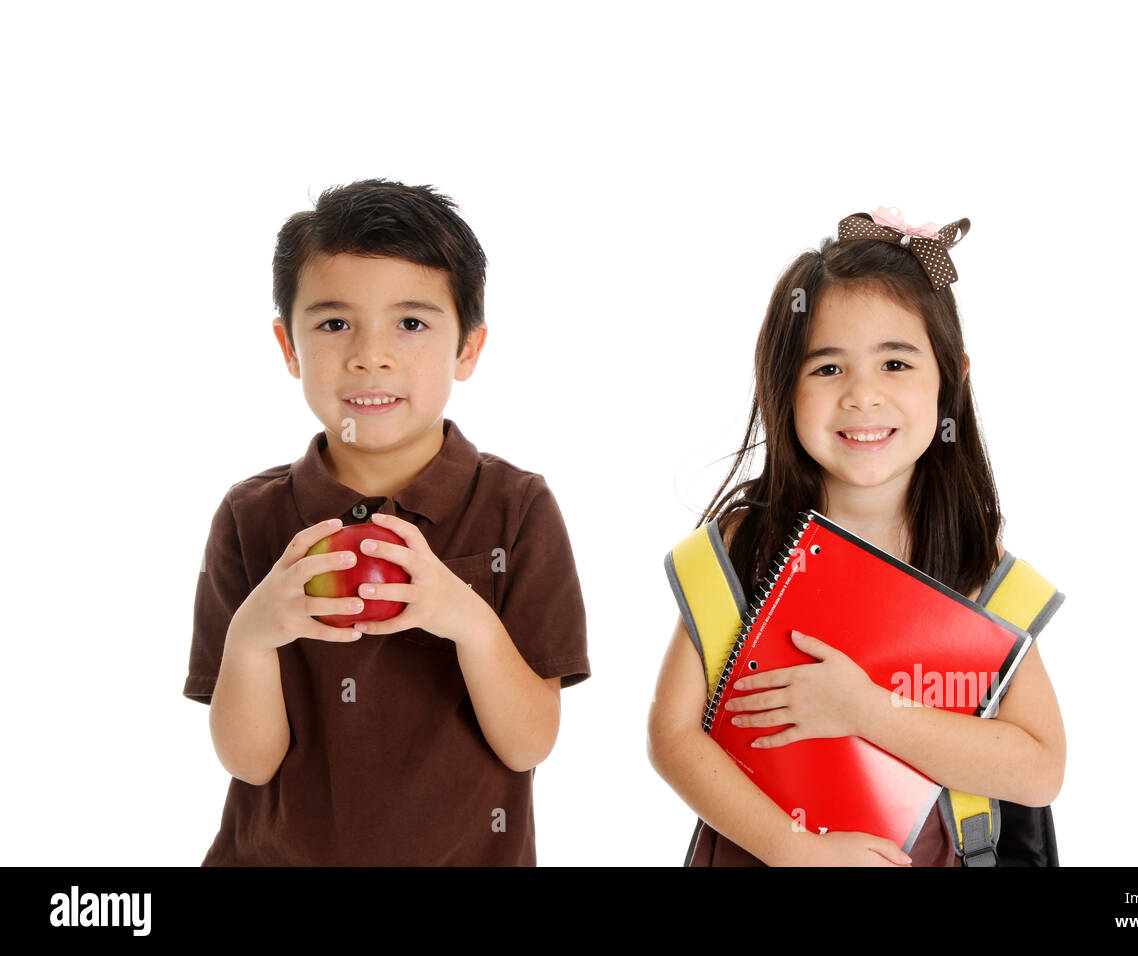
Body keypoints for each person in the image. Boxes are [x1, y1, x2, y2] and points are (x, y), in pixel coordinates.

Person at [183, 179, 590, 865]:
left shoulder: (516, 507)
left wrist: (463, 616)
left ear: (468, 348)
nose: (372, 355)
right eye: (335, 323)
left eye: (412, 323)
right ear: (289, 346)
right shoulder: (252, 517)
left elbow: (528, 743)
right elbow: (250, 764)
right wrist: (252, 639)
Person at [647, 208, 1066, 866]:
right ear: (783, 389)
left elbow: (1039, 770)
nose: (862, 396)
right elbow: (673, 737)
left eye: (895, 363)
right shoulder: (744, 547)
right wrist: (794, 851)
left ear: (950, 378)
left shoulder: (976, 572)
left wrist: (867, 710)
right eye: (828, 369)